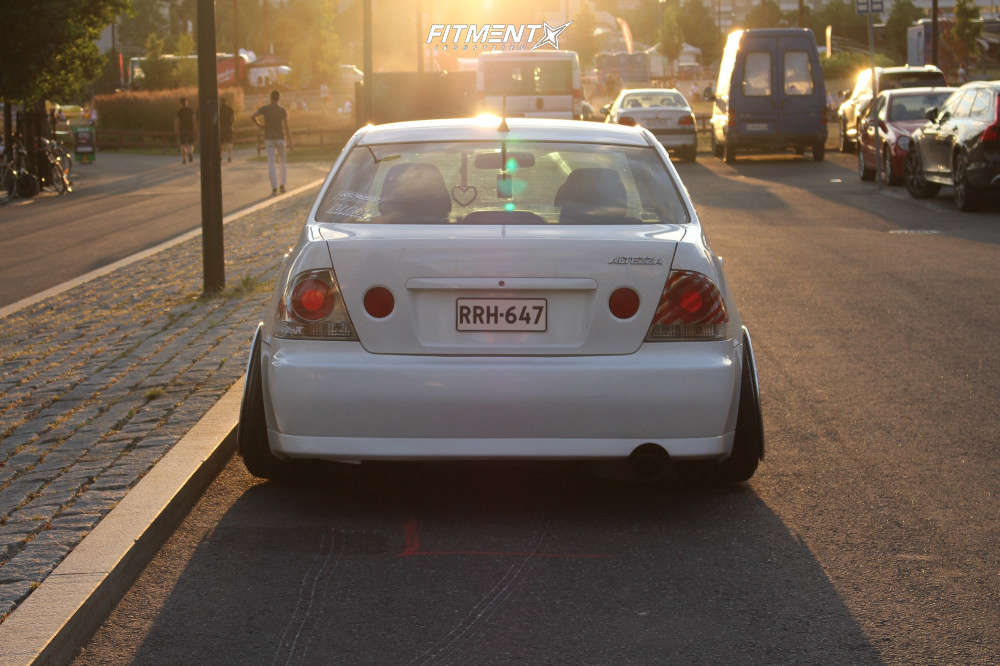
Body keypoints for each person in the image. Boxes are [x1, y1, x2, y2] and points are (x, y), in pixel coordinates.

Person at [252, 89, 293, 195]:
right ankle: (282, 185)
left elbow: (253, 116)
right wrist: (290, 141)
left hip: (269, 138)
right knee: (282, 163)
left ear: (270, 98)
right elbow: (286, 126)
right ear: (279, 98)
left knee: (271, 163)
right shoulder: (282, 110)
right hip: (280, 138)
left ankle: (274, 187)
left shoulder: (265, 109)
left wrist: (260, 125)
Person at [176, 97, 196, 164]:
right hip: (190, 129)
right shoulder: (191, 110)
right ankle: (190, 153)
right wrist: (194, 128)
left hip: (182, 129)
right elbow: (194, 119)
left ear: (181, 103)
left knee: (182, 144)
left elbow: (177, 121)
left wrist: (177, 129)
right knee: (191, 143)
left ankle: (184, 159)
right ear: (187, 102)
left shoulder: (179, 111)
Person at [219, 97, 235, 164]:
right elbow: (233, 118)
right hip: (228, 128)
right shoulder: (230, 109)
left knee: (221, 143)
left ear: (221, 102)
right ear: (226, 102)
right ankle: (229, 156)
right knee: (229, 142)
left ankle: (220, 156)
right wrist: (231, 125)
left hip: (221, 128)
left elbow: (216, 119)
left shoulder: (219, 109)